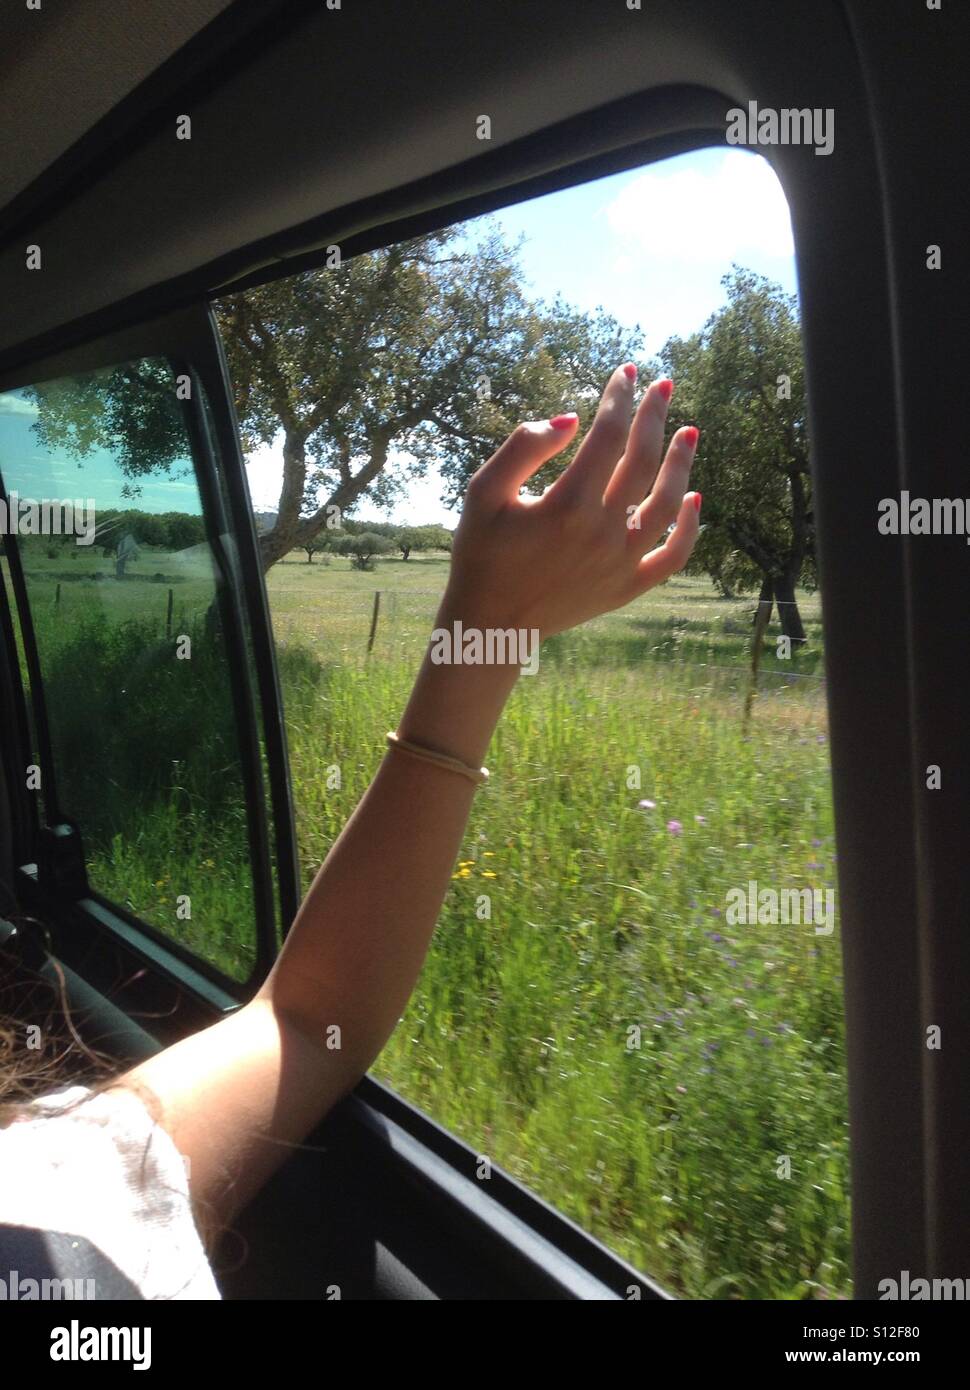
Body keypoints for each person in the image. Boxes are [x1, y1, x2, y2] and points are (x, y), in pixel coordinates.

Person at [0, 366, 700, 1299]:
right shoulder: (59, 1209)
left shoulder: (61, 1205)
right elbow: (304, 1020)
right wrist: (492, 621)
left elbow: (307, 1019)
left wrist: (489, 619)